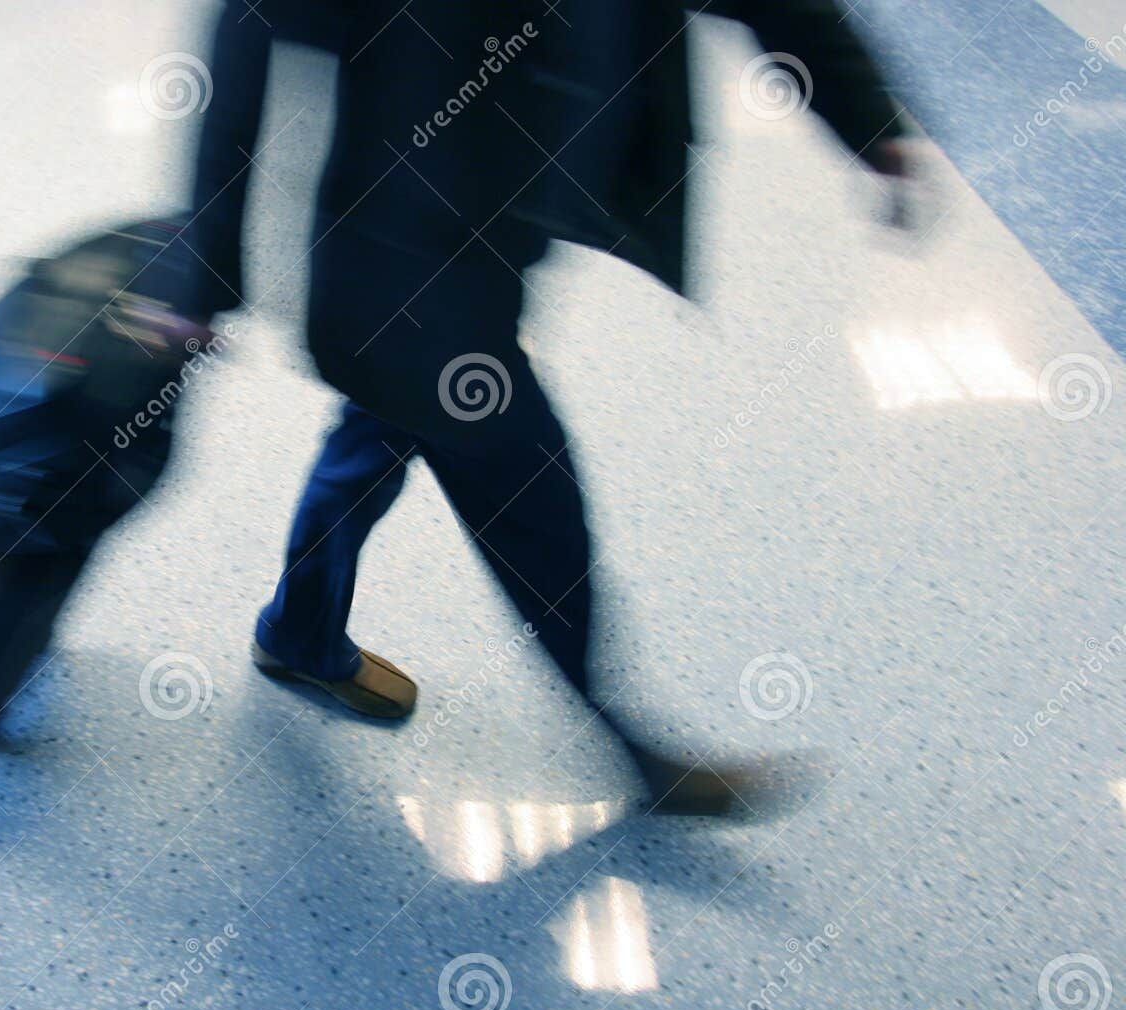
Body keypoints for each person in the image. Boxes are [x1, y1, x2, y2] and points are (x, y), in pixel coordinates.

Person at [180, 0, 913, 811]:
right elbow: (244, 38)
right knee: (533, 500)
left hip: (490, 233)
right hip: (401, 266)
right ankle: (633, 745)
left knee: (383, 428)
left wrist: (869, 120)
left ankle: (299, 631)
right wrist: (199, 276)